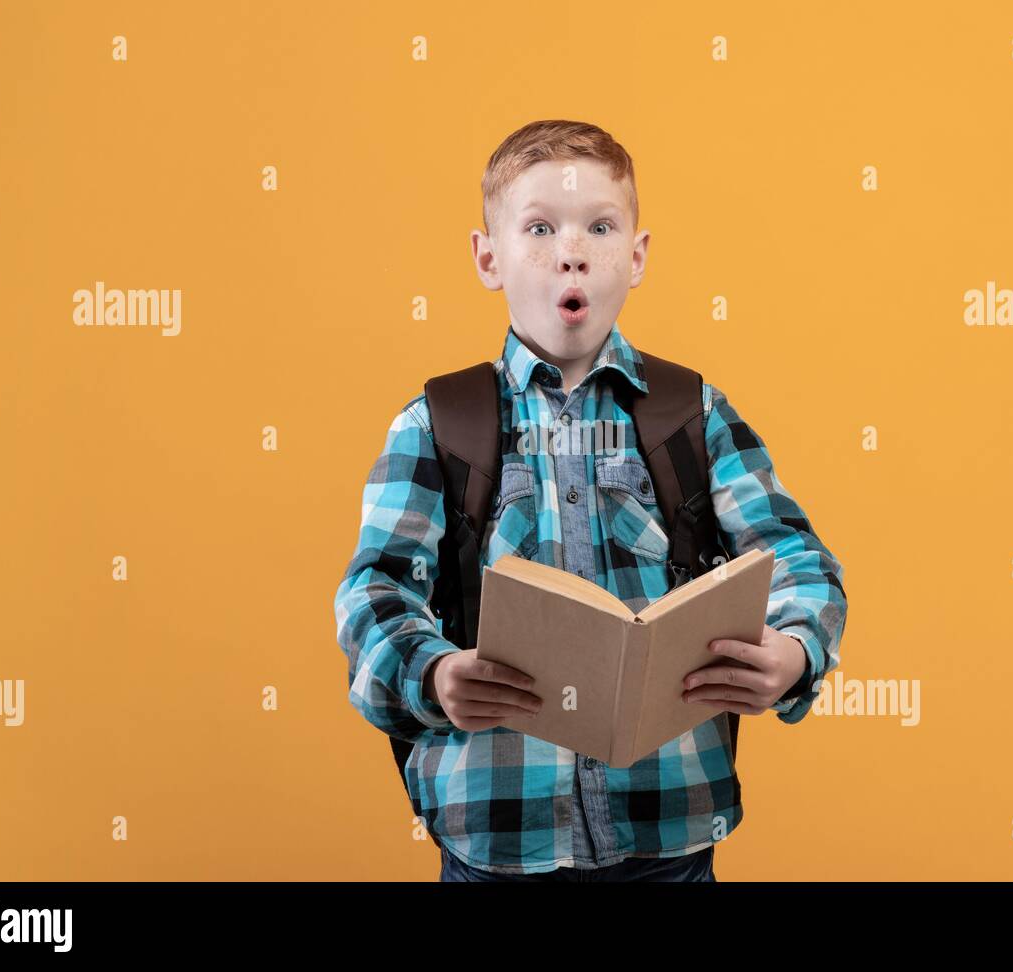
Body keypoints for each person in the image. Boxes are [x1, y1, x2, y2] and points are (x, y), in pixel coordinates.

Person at [334, 119, 847, 881]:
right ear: (488, 257)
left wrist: (794, 652)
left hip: (669, 839)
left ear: (636, 258)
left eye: (599, 227)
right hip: (494, 848)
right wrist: (435, 675)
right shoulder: (439, 425)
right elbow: (373, 594)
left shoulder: (693, 416)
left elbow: (799, 558)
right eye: (539, 227)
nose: (571, 250)